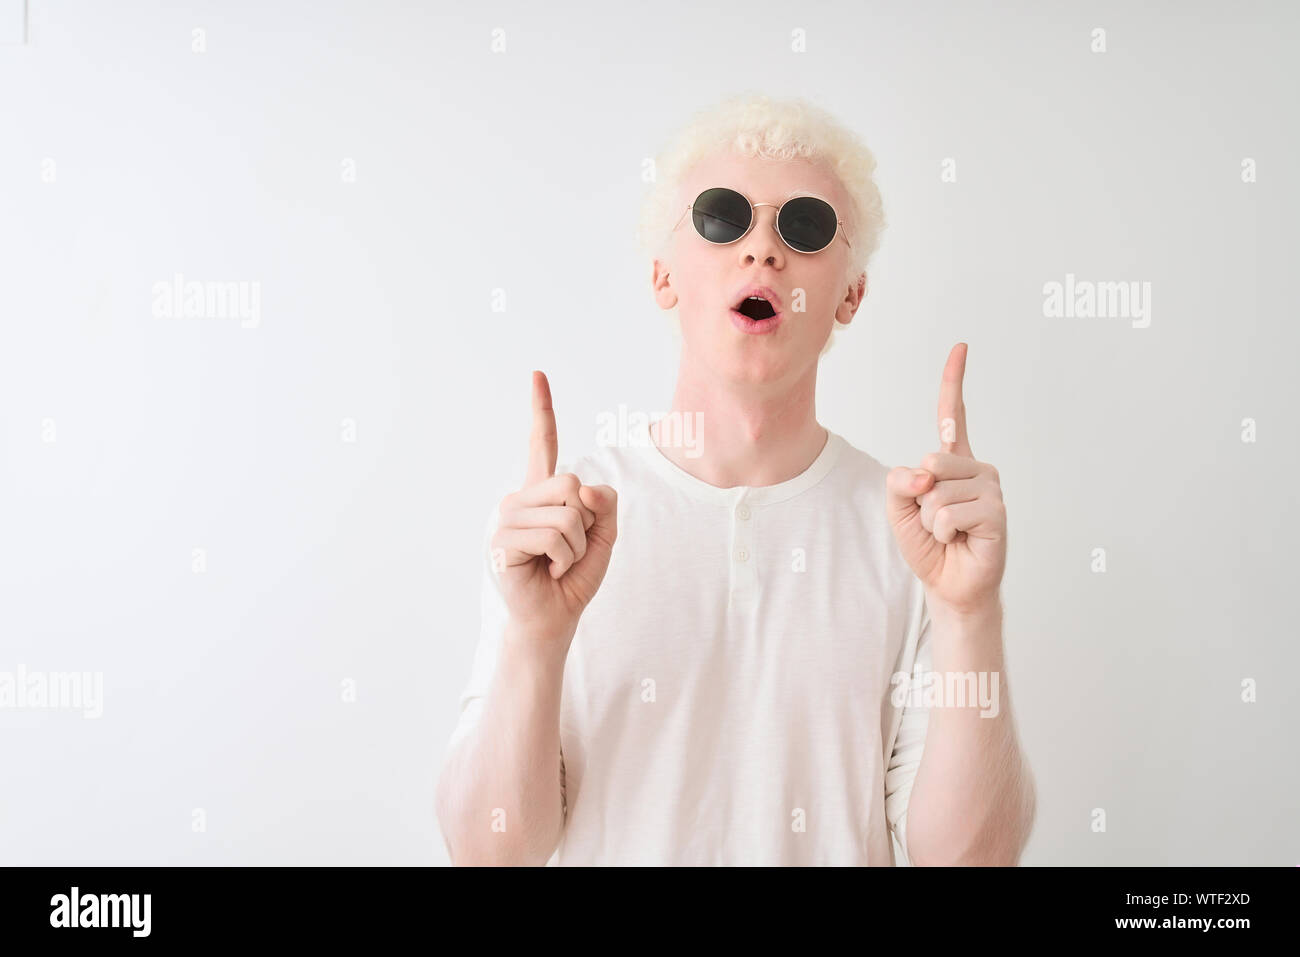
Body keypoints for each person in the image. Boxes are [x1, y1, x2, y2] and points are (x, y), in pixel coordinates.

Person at [435, 93, 1036, 866]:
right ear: (664, 275)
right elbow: (490, 854)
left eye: (805, 226)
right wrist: (534, 640)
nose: (763, 250)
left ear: (850, 294)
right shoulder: (556, 528)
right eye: (722, 217)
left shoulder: (918, 533)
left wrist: (970, 612)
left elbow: (971, 862)